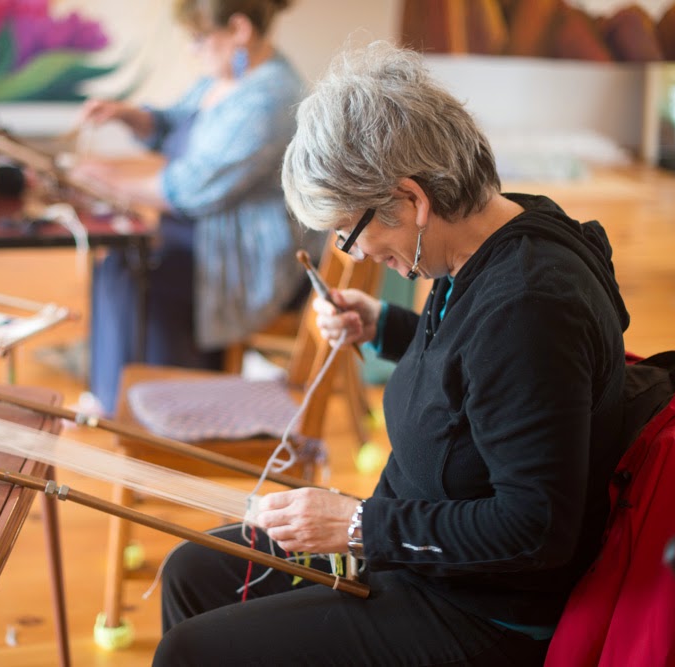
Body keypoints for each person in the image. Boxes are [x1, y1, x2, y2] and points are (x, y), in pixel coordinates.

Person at [152, 41, 632, 665]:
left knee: (191, 652)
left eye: (351, 231)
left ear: (411, 200)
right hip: (414, 552)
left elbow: (535, 529)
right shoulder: (501, 234)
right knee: (193, 570)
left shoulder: (530, 306)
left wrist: (357, 526)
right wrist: (387, 326)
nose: (351, 255)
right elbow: (483, 373)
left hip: (478, 609)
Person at [70, 0, 322, 413]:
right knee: (117, 265)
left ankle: (163, 409)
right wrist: (131, 117)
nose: (193, 49)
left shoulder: (271, 97)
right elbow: (177, 122)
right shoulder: (223, 81)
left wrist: (106, 178)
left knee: (132, 277)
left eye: (200, 39)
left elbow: (193, 188)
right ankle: (118, 401)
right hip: (202, 240)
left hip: (248, 260)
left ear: (239, 29)